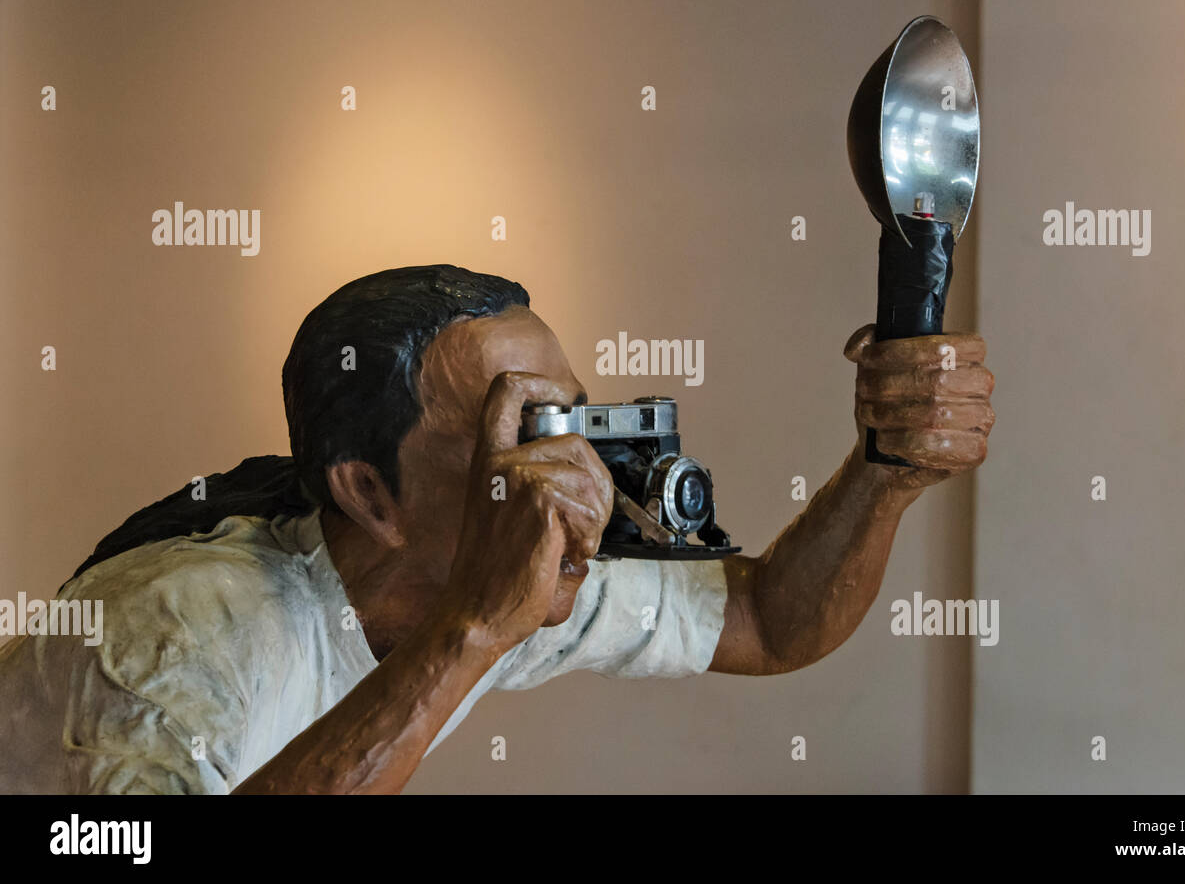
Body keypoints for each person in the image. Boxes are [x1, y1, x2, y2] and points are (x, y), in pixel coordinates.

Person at [0, 264, 994, 793]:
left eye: (571, 423)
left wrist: (887, 471)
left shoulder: (494, 552)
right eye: (519, 438)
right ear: (369, 495)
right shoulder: (174, 643)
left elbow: (771, 622)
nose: (569, 479)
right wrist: (473, 631)